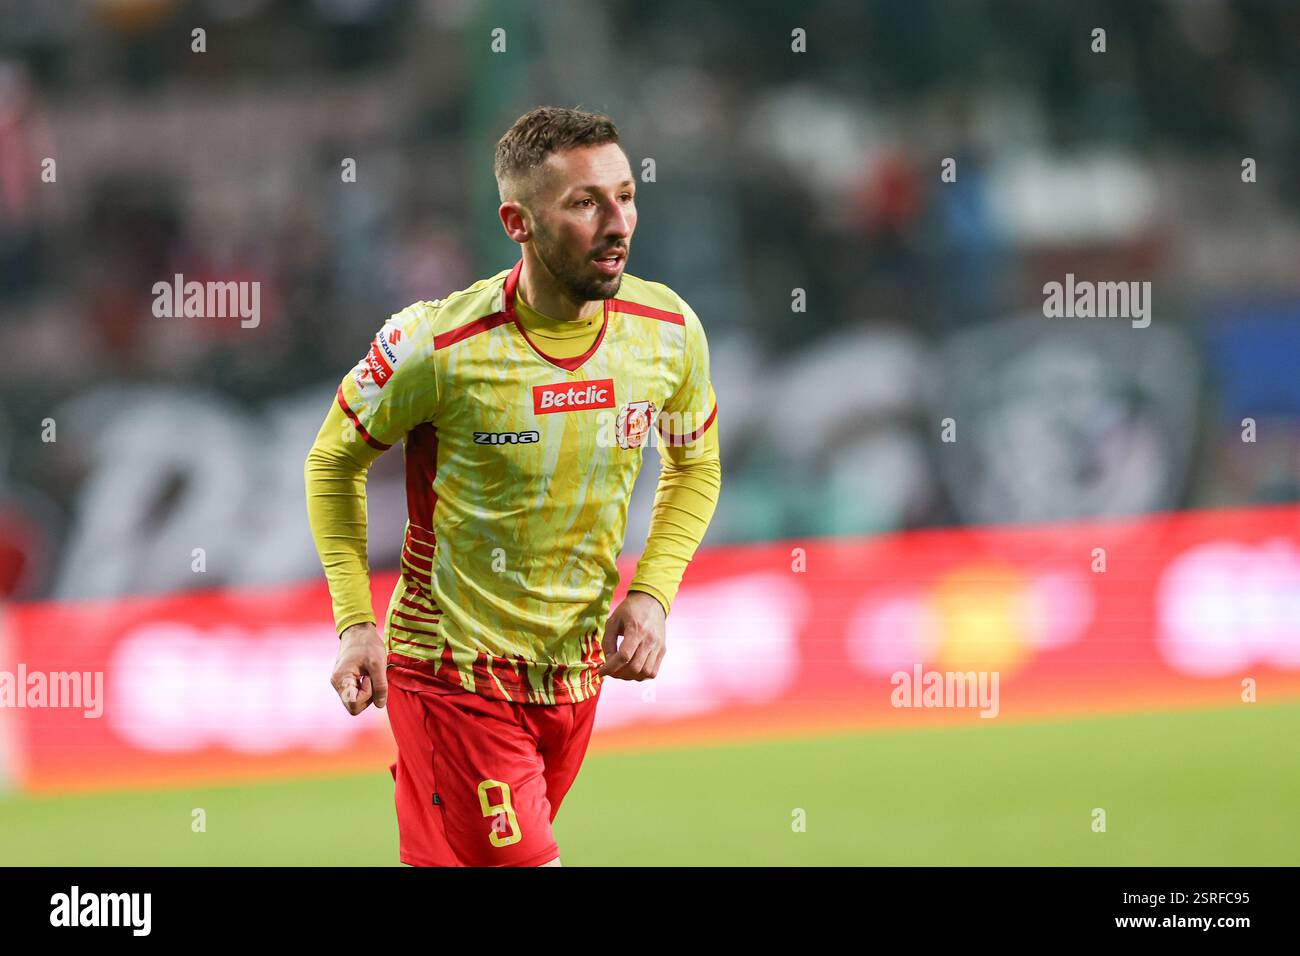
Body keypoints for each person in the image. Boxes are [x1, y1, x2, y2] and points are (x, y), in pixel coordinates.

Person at [304, 106, 721, 866]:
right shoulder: (437, 346)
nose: (617, 222)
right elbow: (332, 462)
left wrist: (653, 594)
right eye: (584, 202)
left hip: (574, 674)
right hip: (451, 673)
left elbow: (696, 464)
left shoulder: (666, 330)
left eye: (625, 195)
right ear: (517, 222)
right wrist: (355, 622)